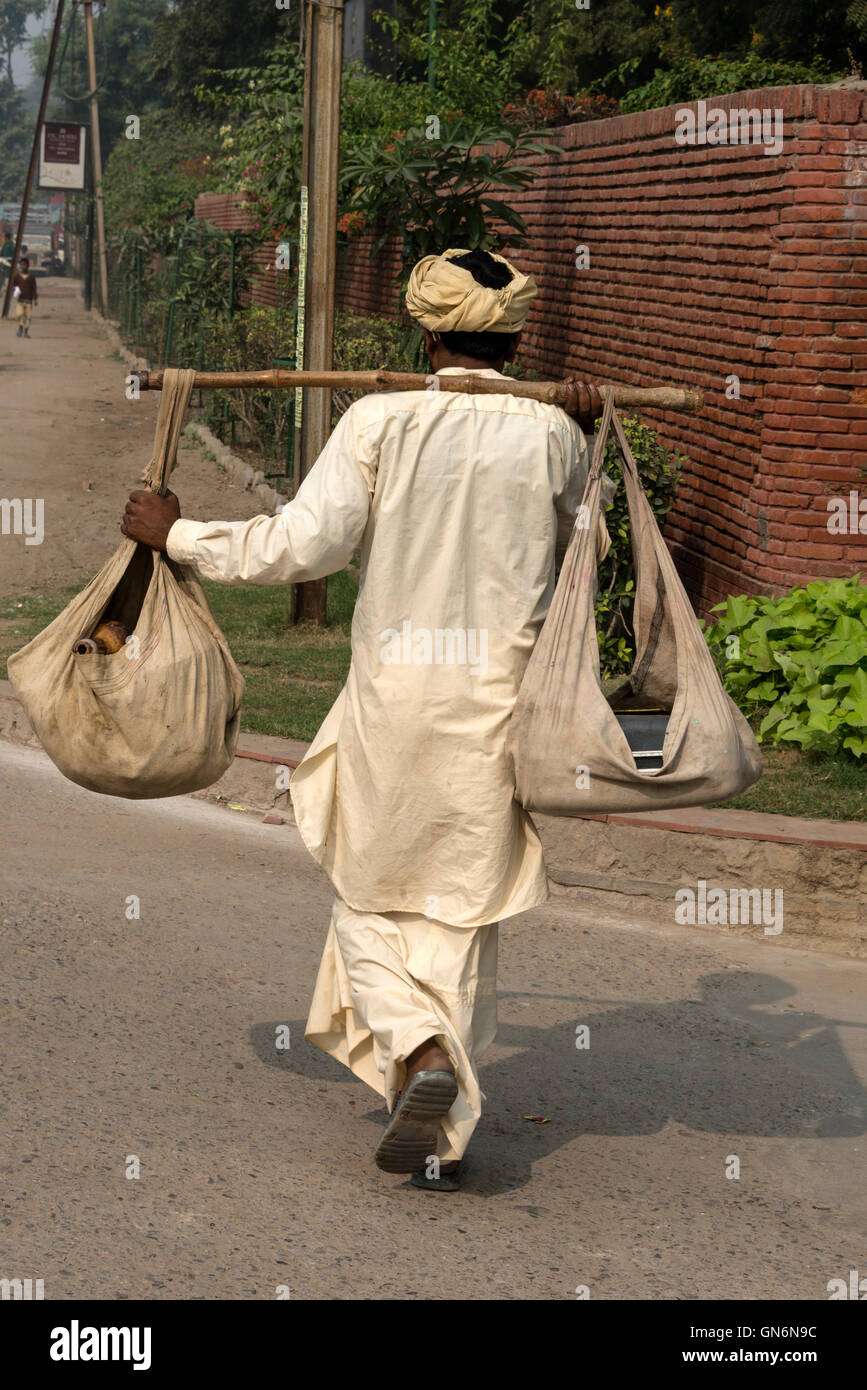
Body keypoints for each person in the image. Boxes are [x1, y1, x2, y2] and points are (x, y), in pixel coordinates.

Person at [121, 246, 615, 1192]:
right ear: (517, 338)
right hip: (497, 702)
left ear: (425, 335)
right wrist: (579, 428)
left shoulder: (379, 420)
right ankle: (437, 1114)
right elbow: (575, 542)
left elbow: (300, 547)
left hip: (395, 698)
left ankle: (419, 1056)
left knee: (368, 891)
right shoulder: (551, 432)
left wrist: (176, 534)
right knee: (462, 911)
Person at [12, 257, 38, 337]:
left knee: (28, 317)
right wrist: (15, 292)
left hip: (28, 300)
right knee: (19, 314)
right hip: (20, 300)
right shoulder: (17, 276)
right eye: (21, 265)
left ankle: (26, 332)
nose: (22, 267)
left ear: (27, 266)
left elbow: (34, 288)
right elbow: (14, 286)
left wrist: (35, 299)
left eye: (24, 265)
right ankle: (20, 327)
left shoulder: (31, 277)